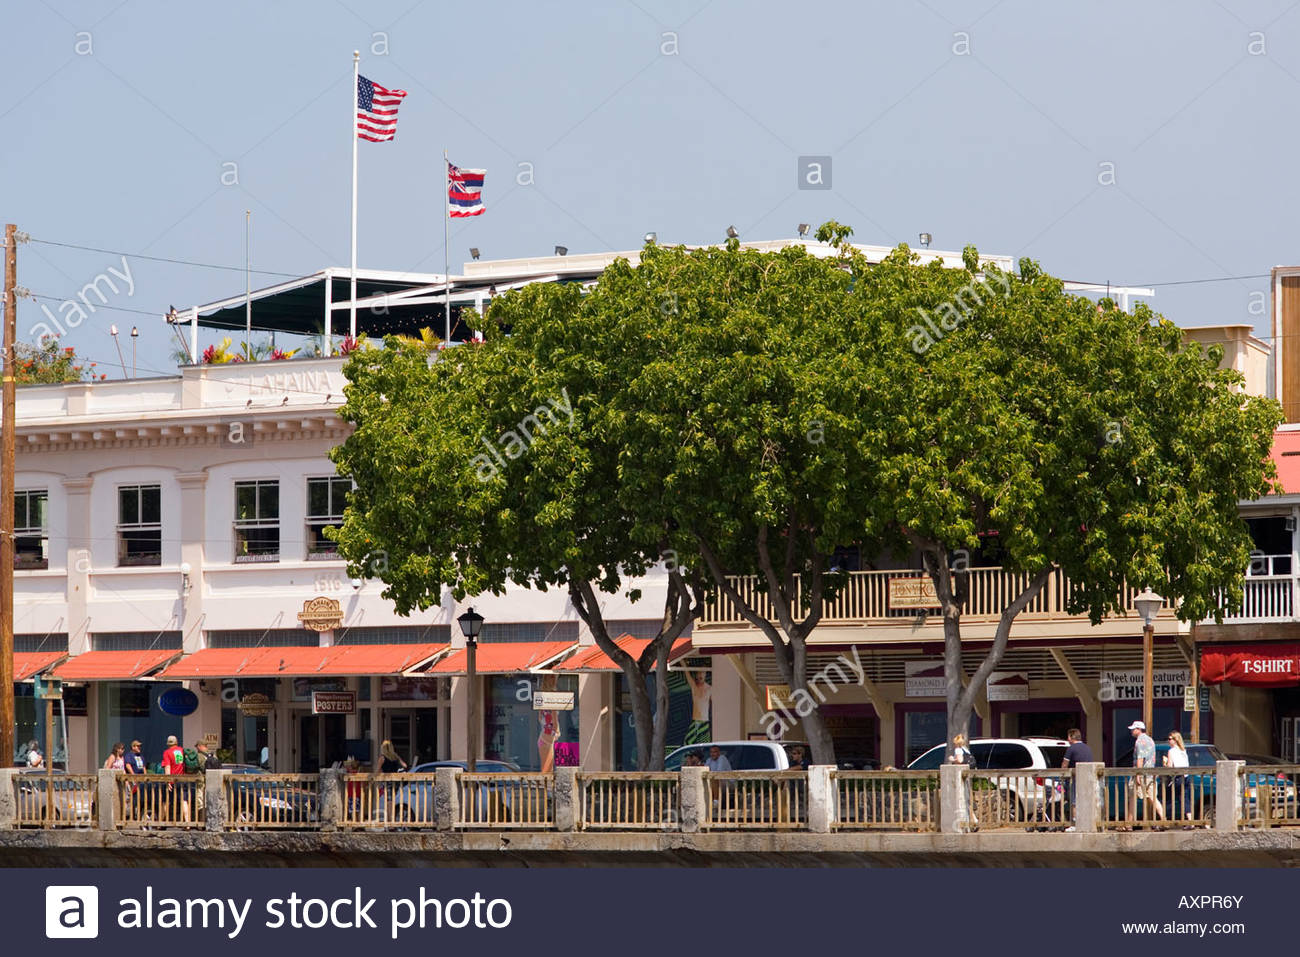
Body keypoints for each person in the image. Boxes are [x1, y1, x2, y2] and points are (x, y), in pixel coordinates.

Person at [1126, 720, 1164, 825]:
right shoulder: (1150, 740)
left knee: (1132, 797)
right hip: (1150, 773)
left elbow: (1140, 759)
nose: (1132, 731)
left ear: (1138, 729)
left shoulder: (1139, 741)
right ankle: (1163, 819)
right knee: (1153, 798)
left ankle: (1129, 824)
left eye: (1133, 729)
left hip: (1141, 774)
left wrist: (1138, 774)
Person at [1060, 728, 1093, 829]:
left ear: (1071, 737)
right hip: (1089, 777)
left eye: (1068, 737)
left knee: (1075, 800)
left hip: (1077, 777)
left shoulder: (1071, 748)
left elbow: (1065, 764)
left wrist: (1062, 774)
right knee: (1086, 799)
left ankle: (1075, 824)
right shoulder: (1087, 748)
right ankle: (1087, 822)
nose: (1067, 739)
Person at [1164, 730, 1190, 820]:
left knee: (1169, 799)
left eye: (1170, 739)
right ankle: (1190, 820)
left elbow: (1170, 766)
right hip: (1186, 776)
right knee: (1184, 799)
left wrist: (1165, 763)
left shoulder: (1171, 751)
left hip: (1177, 777)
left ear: (1175, 740)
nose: (1168, 741)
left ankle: (1167, 819)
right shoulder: (1183, 750)